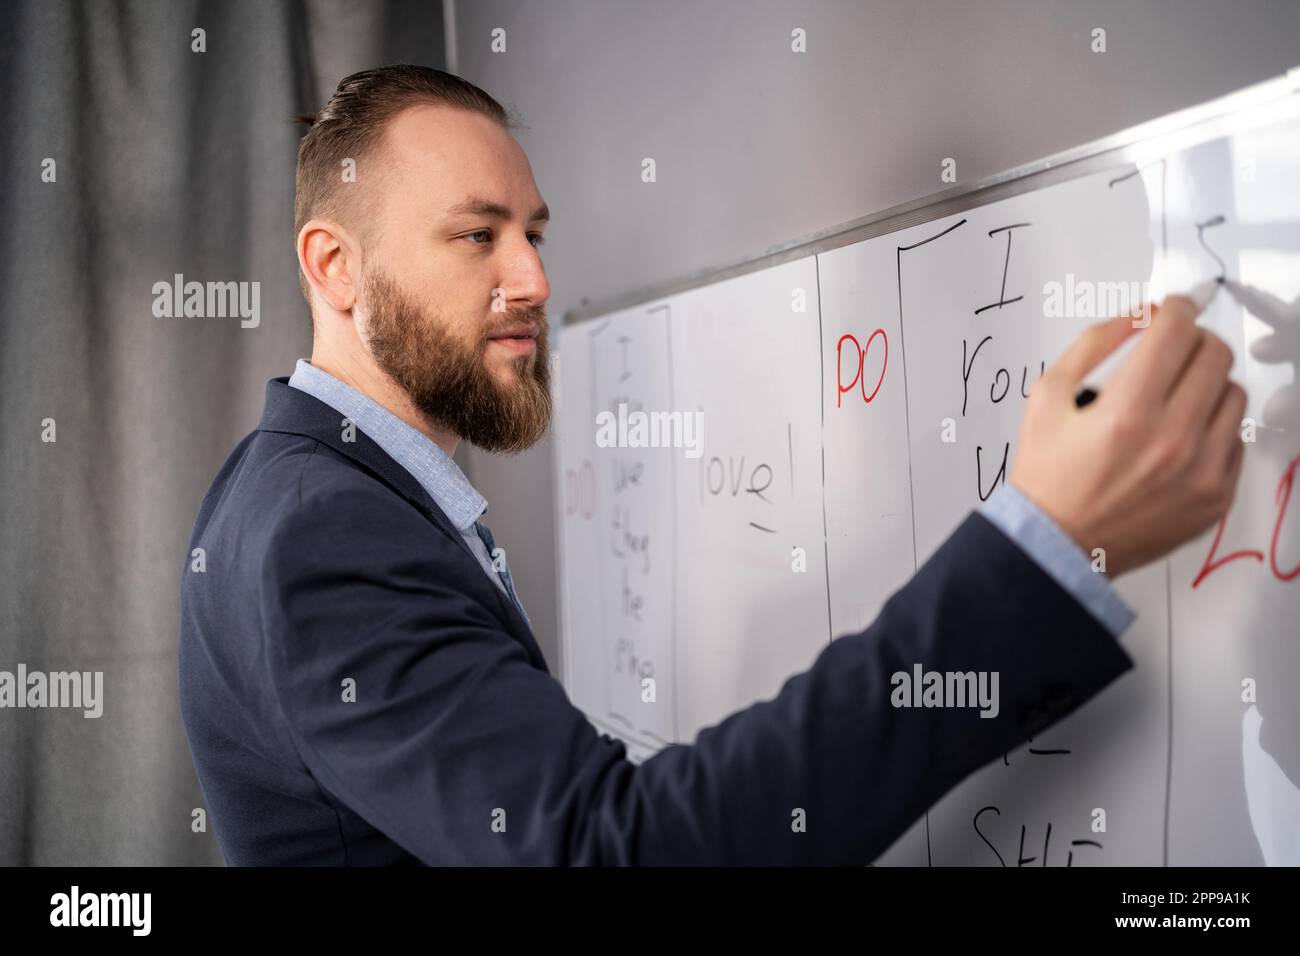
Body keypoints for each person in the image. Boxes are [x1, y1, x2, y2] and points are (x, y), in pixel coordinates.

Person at [178, 65, 1246, 865]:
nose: (536, 279)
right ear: (335, 265)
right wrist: (1039, 546)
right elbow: (613, 852)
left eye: (536, 233)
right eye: (477, 236)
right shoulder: (324, 530)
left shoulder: (297, 483)